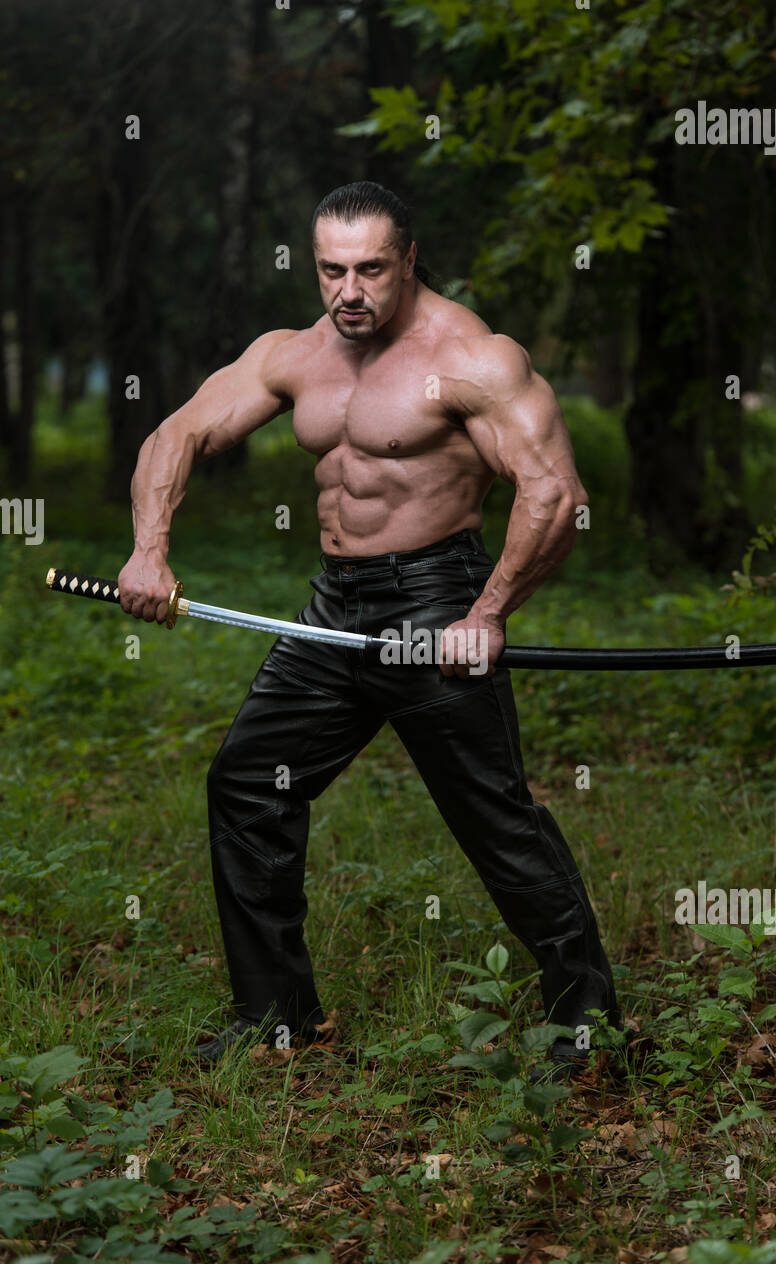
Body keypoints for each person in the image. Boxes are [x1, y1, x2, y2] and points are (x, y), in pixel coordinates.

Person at [117, 180, 620, 1080]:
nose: (349, 291)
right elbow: (175, 434)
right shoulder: (296, 353)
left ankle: (589, 1028)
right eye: (330, 270)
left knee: (494, 821)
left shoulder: (471, 356)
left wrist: (487, 615)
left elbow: (553, 495)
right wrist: (148, 550)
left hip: (437, 600)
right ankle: (277, 1014)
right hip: (333, 612)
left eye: (370, 270)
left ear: (408, 261)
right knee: (247, 784)